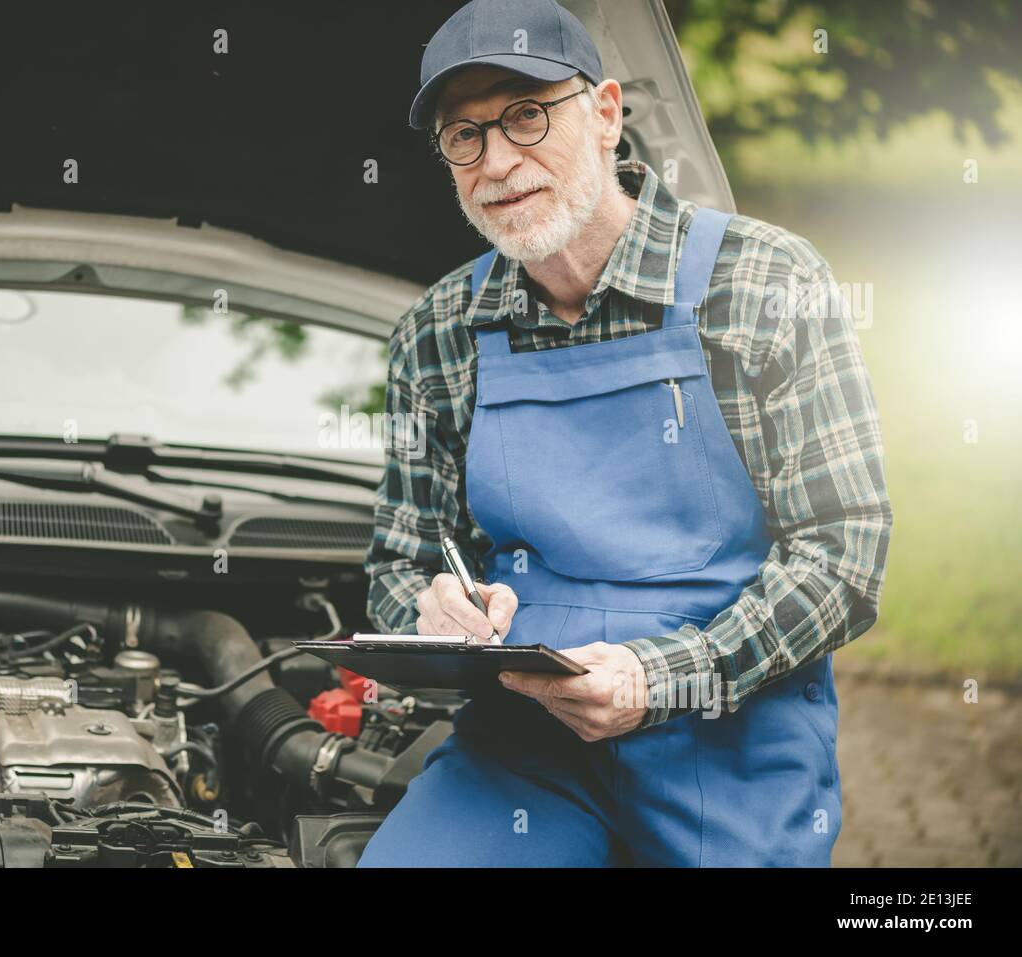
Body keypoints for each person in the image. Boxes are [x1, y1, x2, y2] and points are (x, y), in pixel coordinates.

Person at [359, 0, 892, 866]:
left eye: (527, 115)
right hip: (524, 751)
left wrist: (658, 678)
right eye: (465, 136)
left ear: (607, 113)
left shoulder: (764, 284)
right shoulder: (438, 332)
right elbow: (398, 566)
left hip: (733, 741)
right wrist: (429, 611)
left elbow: (846, 551)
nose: (497, 161)